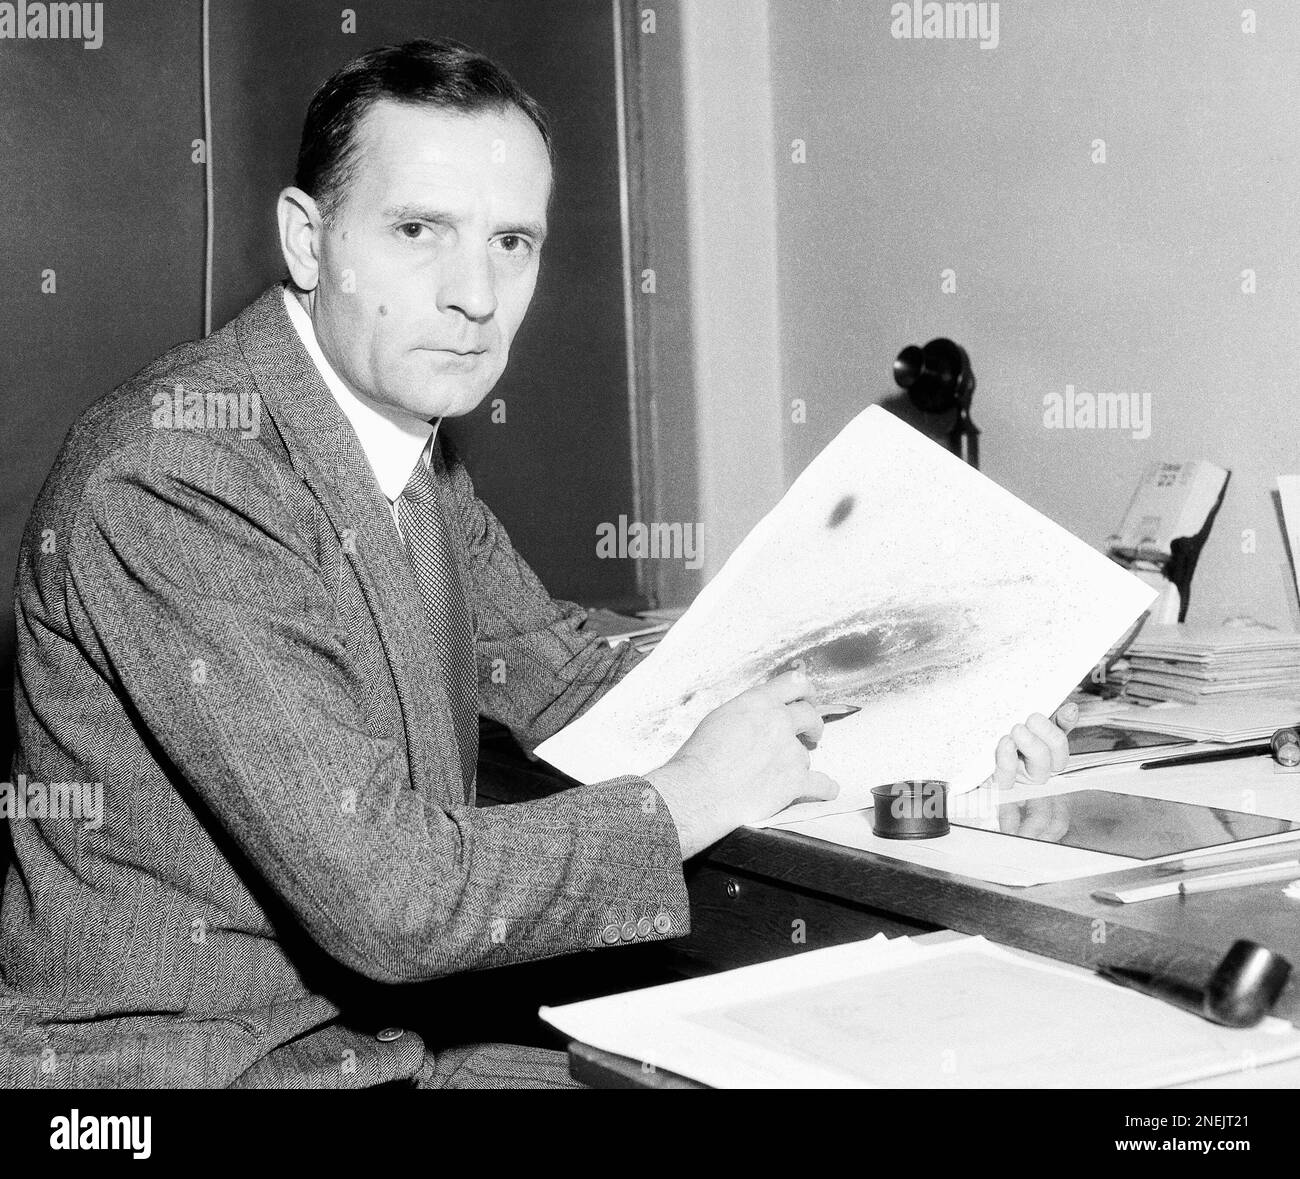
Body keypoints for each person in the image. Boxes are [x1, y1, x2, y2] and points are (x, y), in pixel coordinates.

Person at [0, 38, 1071, 1089]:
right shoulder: (180, 474)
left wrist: (941, 729)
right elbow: (394, 903)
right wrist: (691, 792)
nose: (476, 294)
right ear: (308, 240)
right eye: (420, 229)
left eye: (512, 241)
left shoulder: (399, 447)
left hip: (382, 1047)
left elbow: (577, 686)